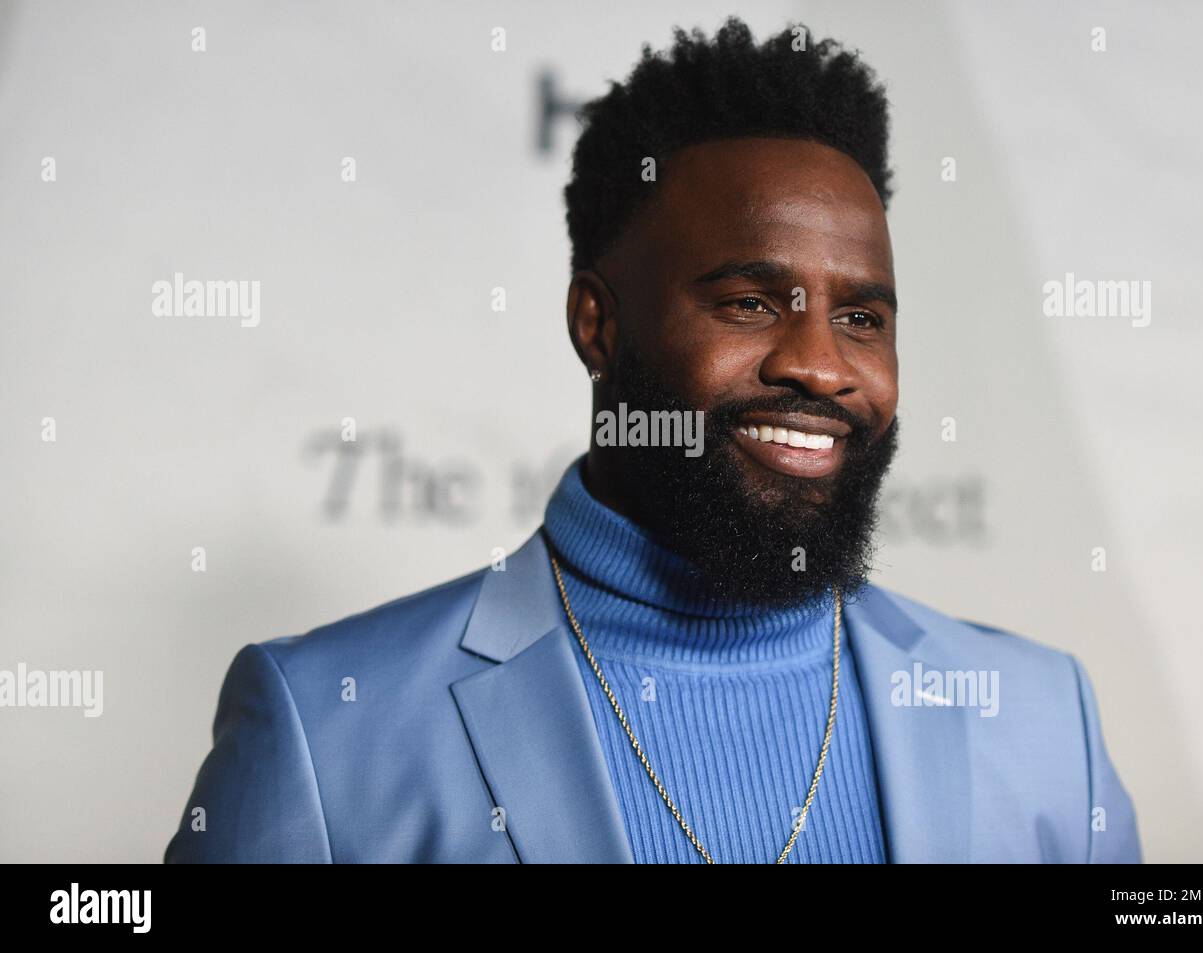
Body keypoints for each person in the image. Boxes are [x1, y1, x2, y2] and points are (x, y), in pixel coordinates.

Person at [166, 16, 1140, 863]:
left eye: (862, 319)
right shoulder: (326, 730)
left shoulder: (1044, 720)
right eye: (750, 301)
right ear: (598, 325)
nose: (819, 365)